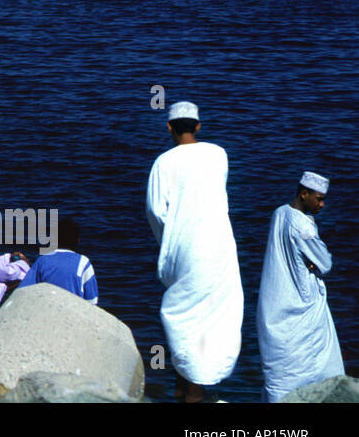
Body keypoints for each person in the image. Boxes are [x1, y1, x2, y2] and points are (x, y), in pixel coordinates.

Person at [145, 101, 244, 403]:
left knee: (184, 314)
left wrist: (169, 241)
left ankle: (189, 388)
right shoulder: (218, 155)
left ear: (170, 127)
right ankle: (195, 386)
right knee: (216, 313)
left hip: (184, 246)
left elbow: (155, 211)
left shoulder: (164, 162)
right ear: (198, 126)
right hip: (219, 245)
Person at [256, 171, 345, 402]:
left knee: (281, 369)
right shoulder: (303, 228)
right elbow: (325, 263)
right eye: (319, 198)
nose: (322, 204)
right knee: (316, 362)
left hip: (275, 304)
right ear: (304, 194)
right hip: (301, 308)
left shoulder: (280, 213)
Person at [17, 216, 98, 305]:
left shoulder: (43, 260)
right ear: (78, 240)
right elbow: (92, 300)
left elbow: (24, 290)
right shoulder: (84, 262)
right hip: (73, 313)